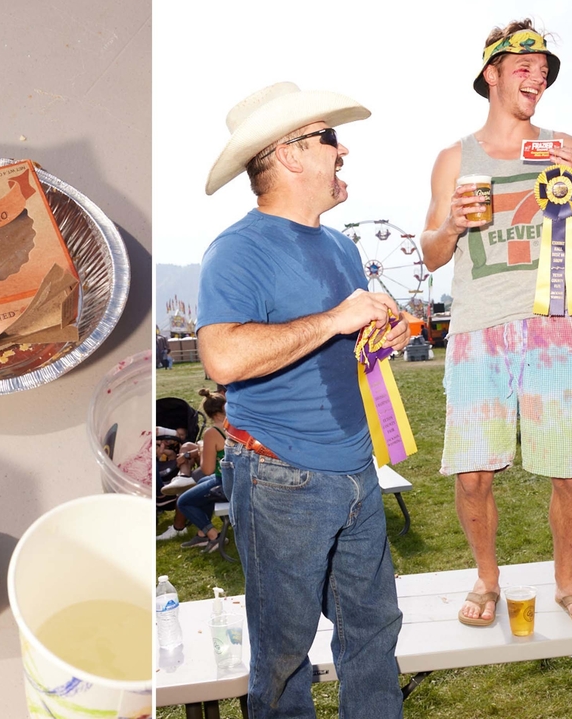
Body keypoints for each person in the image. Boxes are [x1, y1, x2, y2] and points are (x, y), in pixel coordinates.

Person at [198, 82, 409, 718]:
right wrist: (336, 319)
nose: (341, 150)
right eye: (327, 139)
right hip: (281, 477)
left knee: (375, 633)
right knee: (285, 656)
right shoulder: (237, 250)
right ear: (289, 155)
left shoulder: (340, 245)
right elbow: (225, 357)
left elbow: (341, 341)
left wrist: (378, 333)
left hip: (356, 468)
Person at [419, 18, 572, 627]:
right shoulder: (456, 156)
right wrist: (450, 224)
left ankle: (568, 578)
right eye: (524, 66)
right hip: (478, 329)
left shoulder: (564, 146)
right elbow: (430, 252)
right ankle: (486, 578)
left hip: (557, 325)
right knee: (474, 473)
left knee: (571, 468)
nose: (538, 76)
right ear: (491, 74)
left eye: (544, 69)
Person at [175, 388, 230, 551]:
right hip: (240, 479)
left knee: (183, 502)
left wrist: (201, 451)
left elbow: (207, 469)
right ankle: (201, 534)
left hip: (227, 483)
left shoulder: (212, 432)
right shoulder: (235, 425)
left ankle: (214, 536)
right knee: (204, 483)